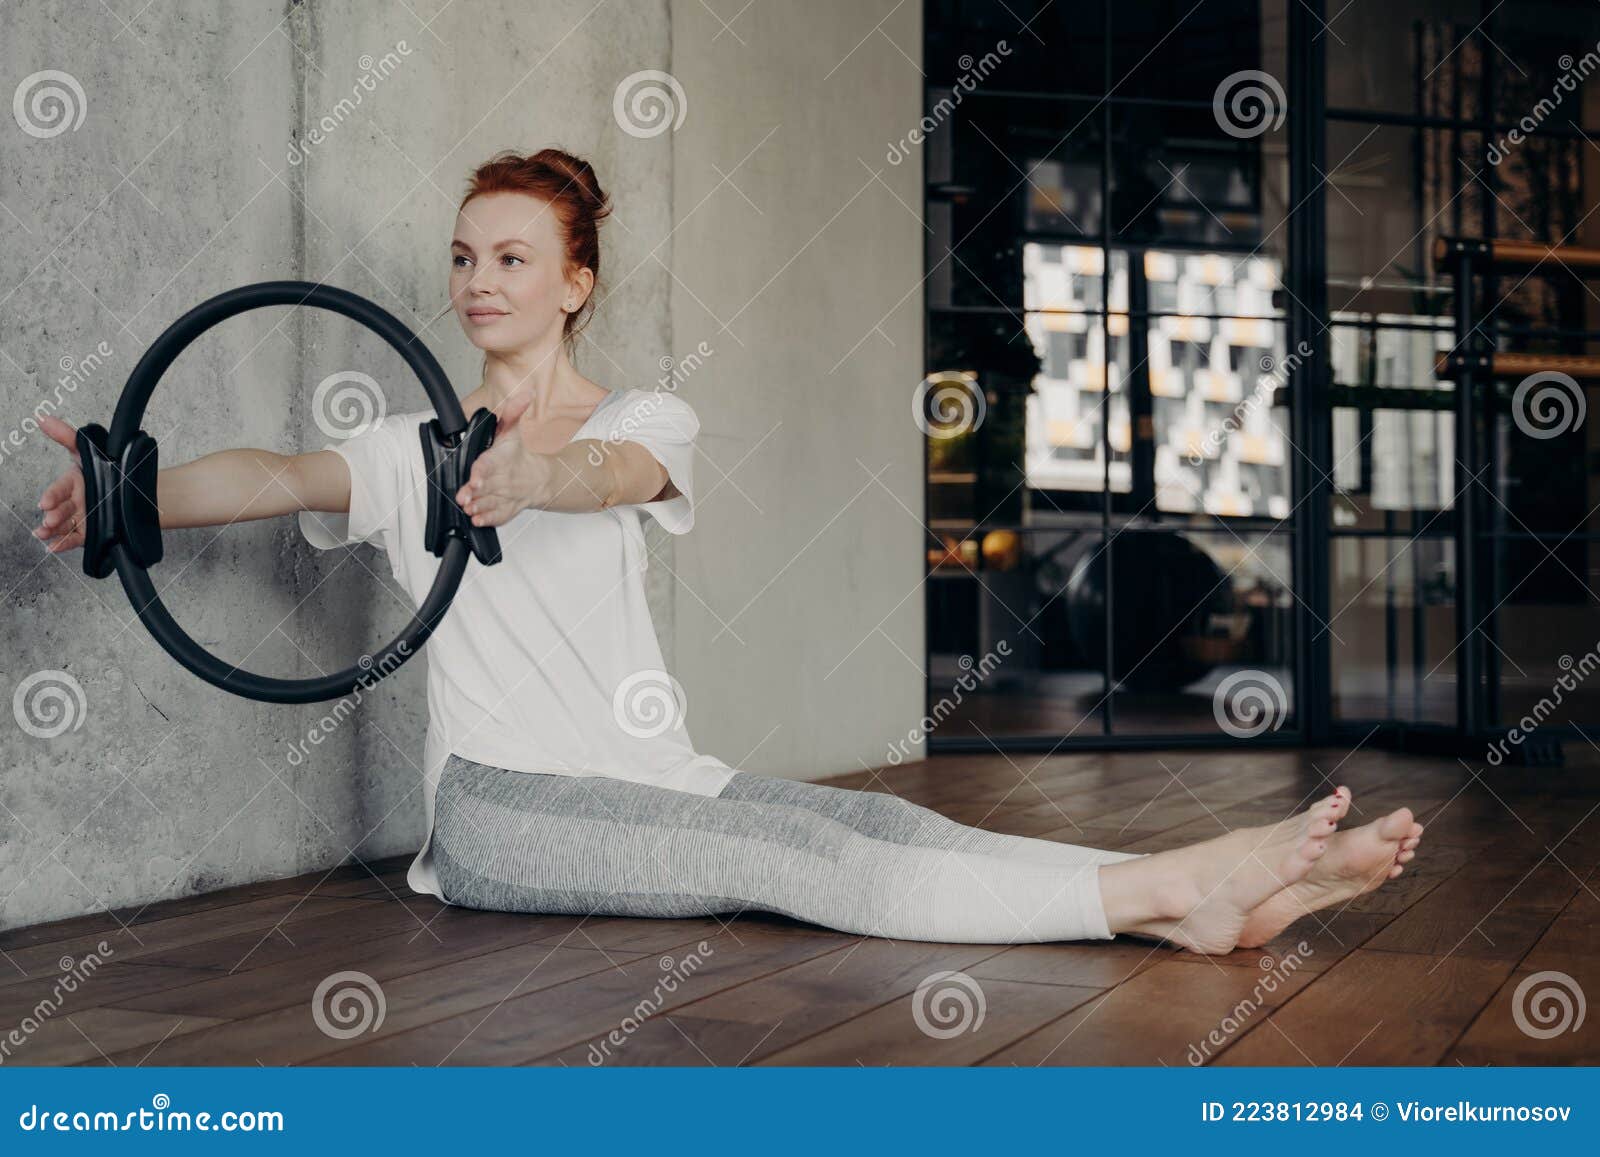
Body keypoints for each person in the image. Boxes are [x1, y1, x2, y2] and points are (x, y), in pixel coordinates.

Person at [32, 148, 1424, 954]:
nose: (477, 280)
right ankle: (1170, 882)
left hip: (657, 770)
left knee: (861, 817)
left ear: (574, 280)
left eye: (512, 257)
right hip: (502, 808)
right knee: (792, 863)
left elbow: (607, 470)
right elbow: (275, 473)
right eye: (463, 256)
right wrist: (127, 487)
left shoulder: (643, 418)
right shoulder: (415, 448)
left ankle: (1170, 922)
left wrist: (536, 473)